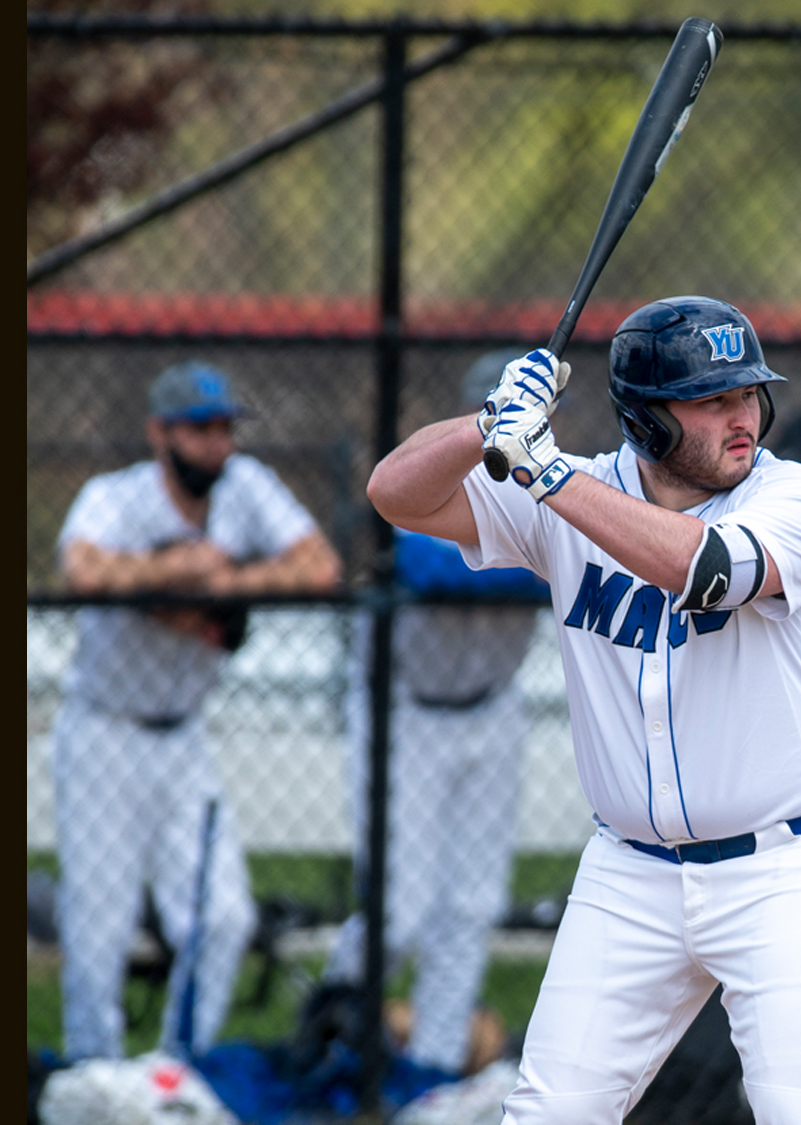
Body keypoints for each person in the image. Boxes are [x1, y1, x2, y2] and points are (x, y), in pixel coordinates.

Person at [367, 296, 801, 1125]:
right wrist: (485, 426)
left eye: (747, 394)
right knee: (548, 1114)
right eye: (711, 400)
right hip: (631, 874)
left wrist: (546, 472)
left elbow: (704, 570)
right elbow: (396, 496)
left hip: (782, 870)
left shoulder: (799, 501)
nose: (742, 417)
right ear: (647, 417)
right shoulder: (574, 490)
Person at [53, 360, 343, 1060]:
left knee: (222, 918)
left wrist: (226, 582)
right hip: (104, 731)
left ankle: (179, 1068)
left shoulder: (245, 488)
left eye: (223, 429)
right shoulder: (116, 496)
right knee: (100, 928)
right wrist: (175, 573)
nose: (218, 444)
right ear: (160, 433)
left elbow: (319, 564)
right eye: (199, 429)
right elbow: (85, 569)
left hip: (183, 736)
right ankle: (94, 1077)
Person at [325, 352, 549, 1079]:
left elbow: (590, 560)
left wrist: (552, 557)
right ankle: (333, 1022)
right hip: (405, 711)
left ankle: (432, 1068)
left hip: (492, 708)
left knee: (472, 906)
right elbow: (432, 569)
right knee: (402, 904)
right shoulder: (430, 483)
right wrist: (547, 563)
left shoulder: (559, 488)